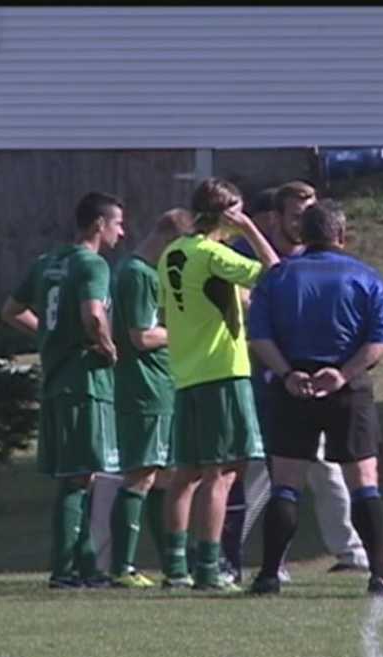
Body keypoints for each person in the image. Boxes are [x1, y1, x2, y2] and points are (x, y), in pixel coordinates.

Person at [246, 200, 383, 596]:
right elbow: (380, 339)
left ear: (303, 234)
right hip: (348, 388)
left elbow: (259, 336)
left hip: (292, 386)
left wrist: (287, 373)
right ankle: (381, 574)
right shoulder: (366, 277)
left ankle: (268, 575)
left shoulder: (277, 277)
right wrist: (343, 374)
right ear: (342, 235)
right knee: (363, 481)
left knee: (286, 482)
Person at [231, 181, 370, 581]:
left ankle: (351, 551)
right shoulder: (247, 256)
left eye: (310, 214)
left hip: (320, 381)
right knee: (263, 470)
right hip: (266, 378)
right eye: (297, 215)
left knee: (326, 468)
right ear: (276, 218)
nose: (305, 223)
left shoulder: (325, 261)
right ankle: (252, 558)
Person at [155, 178, 280, 591]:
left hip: (186, 374)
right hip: (221, 372)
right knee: (222, 473)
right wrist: (250, 229)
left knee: (185, 474)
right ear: (227, 213)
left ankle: (176, 567)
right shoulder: (212, 253)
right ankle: (209, 567)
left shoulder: (172, 253)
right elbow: (273, 270)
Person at [0, 191, 126, 589]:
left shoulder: (46, 263)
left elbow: (10, 310)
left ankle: (85, 566)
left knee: (79, 475)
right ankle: (66, 570)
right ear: (97, 226)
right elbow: (93, 316)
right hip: (84, 381)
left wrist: (50, 336)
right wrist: (107, 347)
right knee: (78, 476)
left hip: (56, 378)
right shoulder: (93, 265)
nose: (122, 232)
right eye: (117, 223)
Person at [106, 208, 194, 588]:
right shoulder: (138, 275)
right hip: (145, 388)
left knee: (164, 476)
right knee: (141, 474)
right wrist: (184, 331)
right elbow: (141, 335)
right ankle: (121, 567)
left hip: (161, 385)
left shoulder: (141, 272)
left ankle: (172, 565)